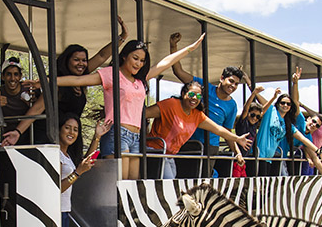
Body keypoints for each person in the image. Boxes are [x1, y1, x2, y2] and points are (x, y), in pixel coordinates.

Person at [50, 34, 210, 180]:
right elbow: (79, 81)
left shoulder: (140, 80)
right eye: (135, 58)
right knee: (120, 184)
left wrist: (189, 49)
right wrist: (46, 81)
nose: (139, 63)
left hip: (136, 136)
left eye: (142, 61)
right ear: (124, 56)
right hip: (117, 133)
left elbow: (164, 63)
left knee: (133, 184)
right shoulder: (111, 74)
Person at [3, 17, 130, 164]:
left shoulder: (82, 77)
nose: (81, 64)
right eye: (76, 60)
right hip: (50, 136)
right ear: (67, 61)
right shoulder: (58, 83)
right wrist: (18, 132)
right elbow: (38, 108)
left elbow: (102, 56)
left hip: (70, 135)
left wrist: (122, 37)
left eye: (84, 60)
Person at [168, 32, 242, 177]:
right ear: (222, 78)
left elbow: (227, 133)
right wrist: (173, 46)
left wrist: (237, 153)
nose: (233, 86)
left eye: (236, 84)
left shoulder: (232, 106)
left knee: (203, 180)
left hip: (210, 146)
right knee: (183, 177)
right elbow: (178, 71)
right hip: (189, 141)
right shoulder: (203, 87)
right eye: (231, 81)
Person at [144, 82, 249, 179]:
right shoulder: (170, 105)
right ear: (183, 93)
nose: (194, 98)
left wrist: (237, 139)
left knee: (174, 181)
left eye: (198, 96)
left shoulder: (197, 115)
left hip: (170, 155)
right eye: (191, 94)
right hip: (155, 151)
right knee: (170, 183)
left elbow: (218, 129)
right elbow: (143, 113)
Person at [0, 57, 39, 144]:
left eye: (16, 74)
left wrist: (33, 103)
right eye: (8, 74)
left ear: (20, 76)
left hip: (32, 138)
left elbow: (43, 108)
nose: (12, 79)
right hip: (8, 138)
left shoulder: (30, 90)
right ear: (2, 77)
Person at [233, 85, 269, 177]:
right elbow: (246, 108)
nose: (255, 118)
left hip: (245, 159)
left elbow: (264, 110)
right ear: (248, 114)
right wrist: (254, 94)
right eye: (252, 115)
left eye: (257, 117)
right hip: (237, 157)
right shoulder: (243, 123)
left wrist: (274, 97)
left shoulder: (254, 125)